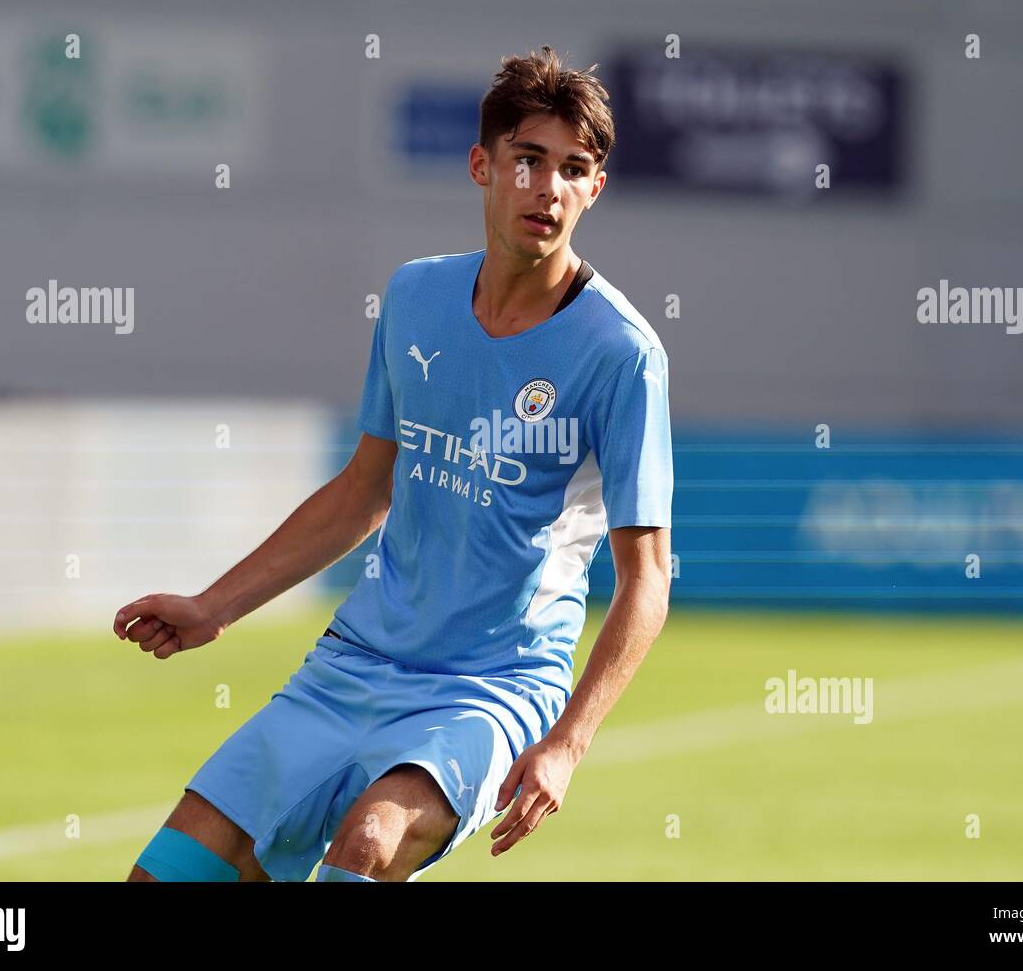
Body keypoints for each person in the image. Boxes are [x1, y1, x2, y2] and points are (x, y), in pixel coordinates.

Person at [114, 45, 673, 882]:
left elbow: (647, 578)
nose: (547, 188)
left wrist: (567, 742)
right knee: (168, 872)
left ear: (594, 188)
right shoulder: (414, 296)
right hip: (353, 662)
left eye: (573, 169)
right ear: (484, 165)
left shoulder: (622, 354)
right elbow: (360, 494)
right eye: (528, 160)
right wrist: (212, 605)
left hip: (492, 687)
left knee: (367, 847)